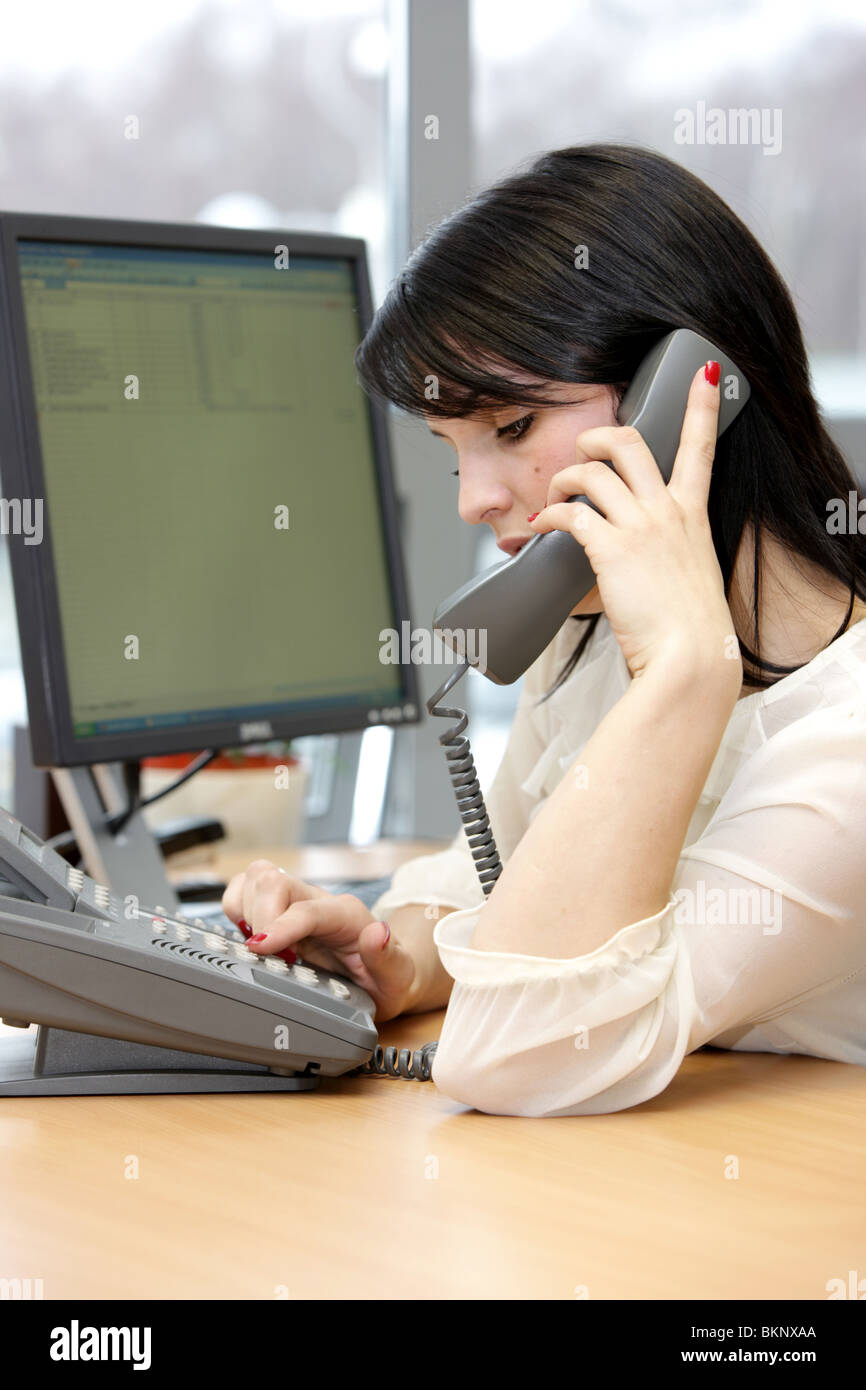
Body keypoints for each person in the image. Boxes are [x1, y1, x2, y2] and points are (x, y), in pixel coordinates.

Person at [222, 145, 866, 1117]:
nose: (474, 501)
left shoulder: (841, 739)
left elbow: (517, 1049)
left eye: (513, 427)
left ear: (688, 393)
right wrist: (394, 953)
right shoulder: (591, 639)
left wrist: (683, 674)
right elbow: (503, 879)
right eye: (454, 455)